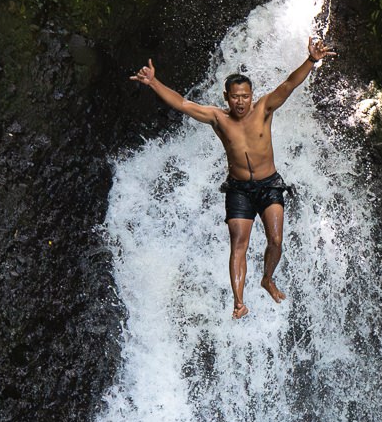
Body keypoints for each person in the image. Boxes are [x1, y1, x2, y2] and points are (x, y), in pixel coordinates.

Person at [130, 37, 336, 318]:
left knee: (276, 240)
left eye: (245, 96)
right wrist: (154, 82)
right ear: (226, 97)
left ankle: (267, 279)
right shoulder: (218, 118)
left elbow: (289, 84)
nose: (241, 102)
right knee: (239, 244)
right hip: (239, 189)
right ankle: (239, 302)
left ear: (252, 96)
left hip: (269, 184)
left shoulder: (264, 109)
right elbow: (182, 103)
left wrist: (311, 60)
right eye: (235, 97)